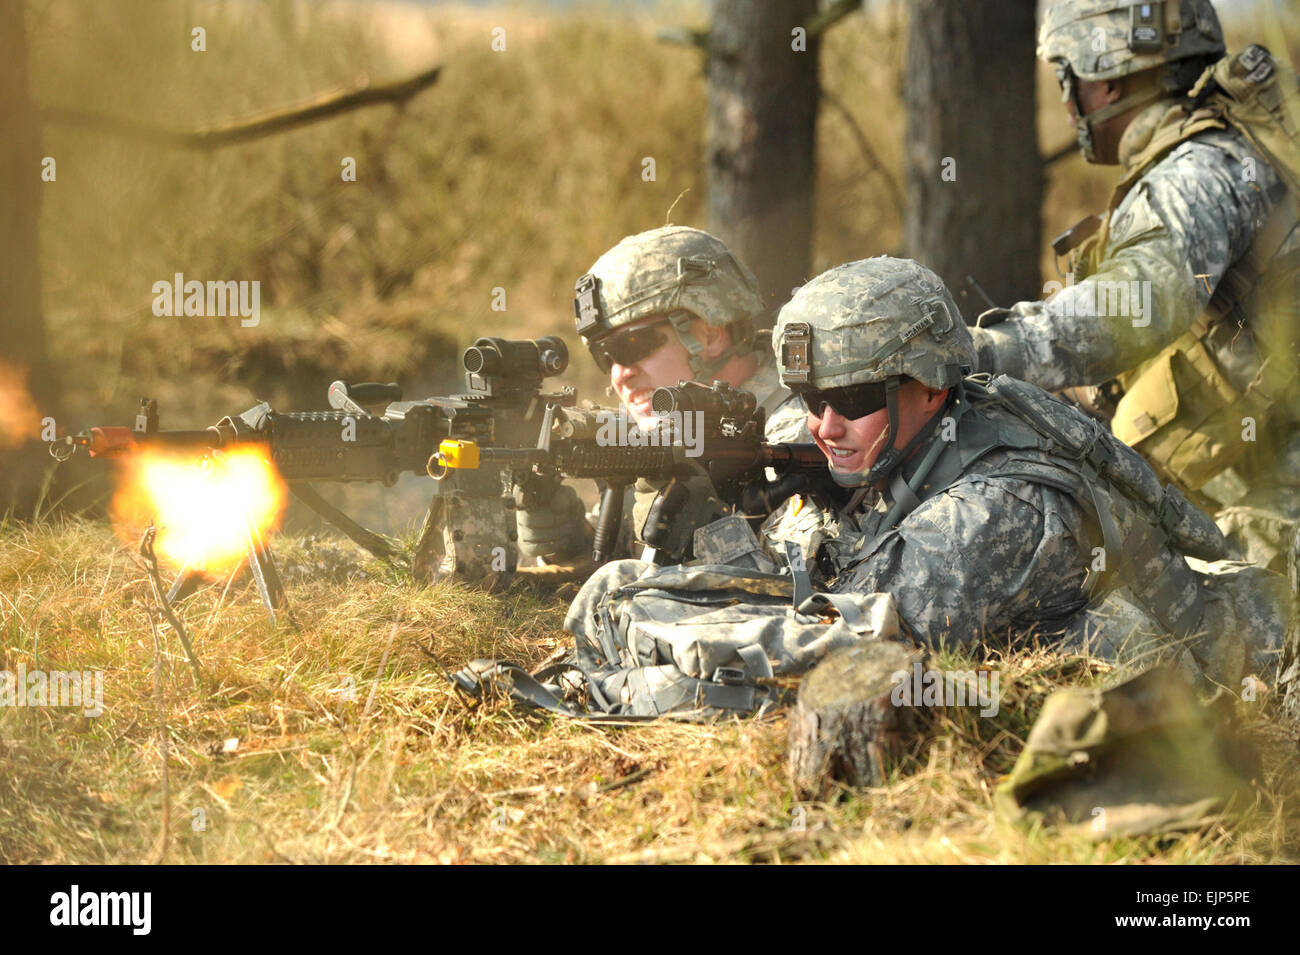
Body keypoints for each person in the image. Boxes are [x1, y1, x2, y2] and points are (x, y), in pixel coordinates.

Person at [563, 258, 1287, 714]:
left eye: (850, 400)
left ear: (931, 387)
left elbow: (829, 656)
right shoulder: (906, 448)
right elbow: (815, 572)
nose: (824, 425)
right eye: (810, 399)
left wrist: (643, 612)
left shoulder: (993, 513)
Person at [969, 0, 1300, 572]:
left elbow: (1143, 299)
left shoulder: (1193, 172)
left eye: (1068, 77)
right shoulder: (1235, 151)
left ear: (1109, 81)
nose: (1068, 101)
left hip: (1269, 522)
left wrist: (988, 350)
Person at [515, 225, 809, 564]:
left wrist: (713, 541)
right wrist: (573, 544)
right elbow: (629, 554)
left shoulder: (800, 434)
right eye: (605, 356)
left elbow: (810, 589)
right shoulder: (661, 431)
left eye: (632, 346)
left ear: (710, 334)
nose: (619, 373)